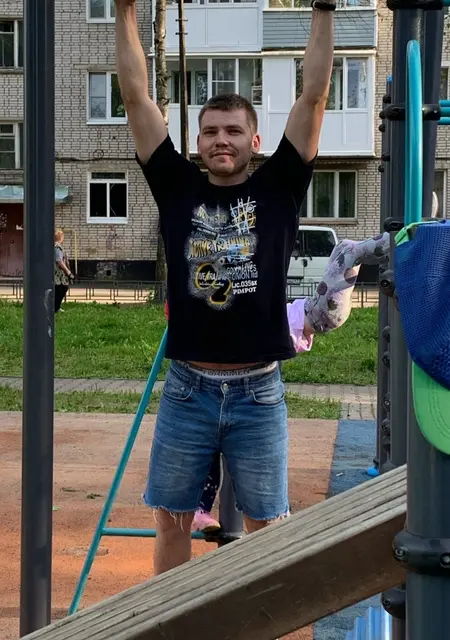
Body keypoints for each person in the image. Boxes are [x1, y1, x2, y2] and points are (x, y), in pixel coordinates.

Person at [115, 0, 335, 575]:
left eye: (234, 131)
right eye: (211, 131)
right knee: (171, 520)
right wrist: (125, 9)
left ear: (255, 141)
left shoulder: (279, 186)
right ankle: (172, 618)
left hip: (258, 392)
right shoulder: (176, 186)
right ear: (196, 141)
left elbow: (313, 96)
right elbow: (136, 98)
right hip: (187, 390)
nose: (221, 140)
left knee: (267, 529)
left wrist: (323, 8)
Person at [191, 231, 391, 531]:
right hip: (266, 338)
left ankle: (349, 255)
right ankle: (203, 508)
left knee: (326, 315)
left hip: (277, 328)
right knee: (213, 449)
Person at [54, 229, 74, 313]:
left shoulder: (54, 246)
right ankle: (56, 307)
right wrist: (67, 271)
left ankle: (56, 307)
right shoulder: (57, 247)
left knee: (59, 288)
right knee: (62, 288)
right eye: (63, 236)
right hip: (58, 273)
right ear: (60, 237)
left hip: (57, 273)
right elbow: (59, 261)